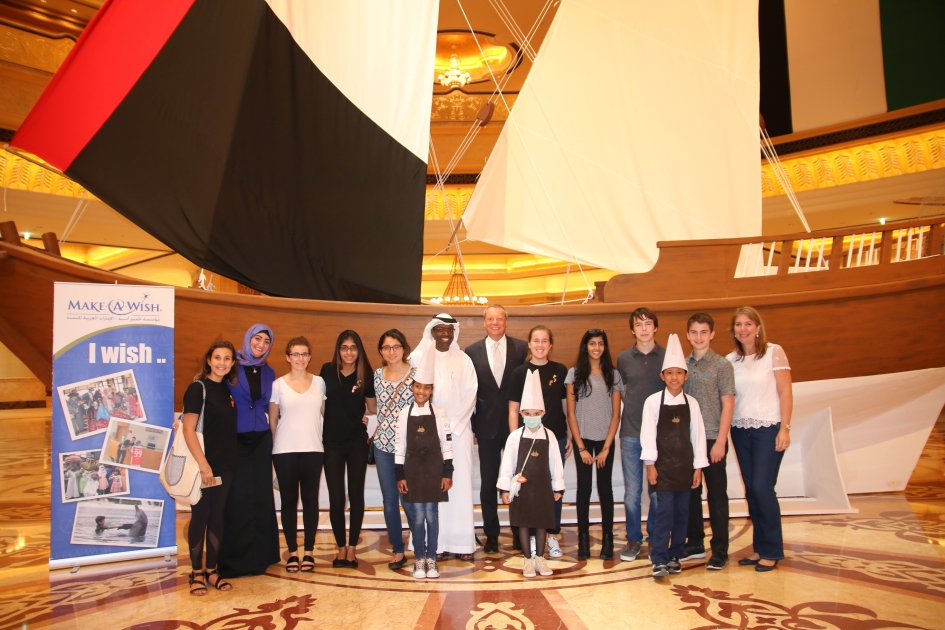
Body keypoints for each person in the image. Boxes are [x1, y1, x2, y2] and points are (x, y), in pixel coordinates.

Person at [727, 306, 793, 572]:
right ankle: (760, 548)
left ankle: (772, 550)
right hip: (740, 430)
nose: (743, 329)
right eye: (738, 325)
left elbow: (786, 392)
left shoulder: (774, 352)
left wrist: (785, 428)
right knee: (752, 490)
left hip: (768, 428)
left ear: (757, 328)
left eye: (748, 324)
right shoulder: (730, 360)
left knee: (763, 489)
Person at [410, 314, 478, 561]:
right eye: (440, 329)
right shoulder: (418, 358)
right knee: (431, 487)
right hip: (427, 434)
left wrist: (451, 426)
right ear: (432, 332)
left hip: (459, 433)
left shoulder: (464, 359)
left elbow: (471, 394)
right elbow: (416, 395)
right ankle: (434, 546)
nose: (445, 334)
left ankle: (461, 544)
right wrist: (434, 428)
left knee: (459, 486)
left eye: (449, 330)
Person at [640, 334, 708, 579]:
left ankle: (675, 555)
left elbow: (697, 436)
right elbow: (647, 434)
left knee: (682, 513)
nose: (674, 377)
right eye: (669, 373)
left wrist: (698, 468)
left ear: (686, 376)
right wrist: (650, 465)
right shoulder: (652, 402)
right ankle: (658, 558)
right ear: (662, 376)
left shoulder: (693, 404)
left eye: (679, 373)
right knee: (663, 513)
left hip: (685, 469)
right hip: (662, 468)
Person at [465, 304, 528, 553]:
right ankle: (491, 533)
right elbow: (469, 392)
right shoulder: (471, 351)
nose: (495, 323)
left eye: (499, 319)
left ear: (506, 321)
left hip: (516, 424)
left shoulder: (522, 348)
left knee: (518, 478)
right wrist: (472, 427)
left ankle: (518, 531)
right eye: (490, 319)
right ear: (484, 322)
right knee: (489, 481)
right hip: (486, 425)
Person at [219, 324, 280, 578]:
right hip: (236, 440)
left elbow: (272, 405)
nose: (261, 344)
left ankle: (263, 556)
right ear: (248, 339)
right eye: (257, 339)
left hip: (261, 440)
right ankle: (236, 558)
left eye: (266, 341)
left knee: (262, 498)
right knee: (237, 499)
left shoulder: (270, 372)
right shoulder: (231, 366)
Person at [181, 340, 239, 595]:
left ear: (232, 363)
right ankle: (195, 572)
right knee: (201, 517)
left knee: (217, 517)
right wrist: (204, 465)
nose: (222, 363)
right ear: (209, 360)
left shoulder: (227, 389)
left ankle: (212, 571)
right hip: (201, 466)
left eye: (227, 359)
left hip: (225, 465)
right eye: (217, 357)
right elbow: (188, 429)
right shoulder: (198, 388)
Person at [507, 325, 569, 558]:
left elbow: (565, 406)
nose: (540, 345)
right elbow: (513, 410)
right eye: (536, 341)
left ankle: (552, 536)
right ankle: (532, 538)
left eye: (545, 341)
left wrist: (570, 436)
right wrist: (516, 440)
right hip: (527, 441)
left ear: (550, 345)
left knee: (554, 487)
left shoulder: (560, 370)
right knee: (529, 491)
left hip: (556, 439)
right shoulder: (519, 372)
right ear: (529, 344)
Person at [498, 369, 566, 578]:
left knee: (542, 522)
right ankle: (528, 559)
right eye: (527, 414)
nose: (532, 417)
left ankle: (540, 558)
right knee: (524, 522)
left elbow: (556, 463)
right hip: (522, 488)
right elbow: (507, 463)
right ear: (521, 415)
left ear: (543, 414)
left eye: (536, 414)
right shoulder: (515, 437)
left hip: (543, 486)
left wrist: (558, 487)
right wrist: (505, 489)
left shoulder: (550, 436)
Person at [682, 313, 736, 569]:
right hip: (690, 440)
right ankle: (694, 543)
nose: (699, 337)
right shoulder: (682, 365)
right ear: (688, 335)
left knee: (716, 495)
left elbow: (728, 404)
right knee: (691, 492)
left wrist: (721, 441)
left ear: (712, 335)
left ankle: (720, 550)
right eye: (695, 332)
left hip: (713, 437)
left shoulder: (722, 365)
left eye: (704, 332)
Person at [394, 350, 453, 579]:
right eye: (418, 386)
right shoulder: (403, 413)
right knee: (417, 516)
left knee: (432, 515)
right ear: (412, 387)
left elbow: (446, 443)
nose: (422, 391)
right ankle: (419, 558)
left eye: (427, 388)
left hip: (434, 470)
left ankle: (432, 558)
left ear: (432, 391)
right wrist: (400, 474)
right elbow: (399, 446)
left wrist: (447, 472)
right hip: (412, 471)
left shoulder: (439, 413)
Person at [566, 329, 624, 560]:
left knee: (605, 490)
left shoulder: (614, 375)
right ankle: (583, 538)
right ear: (585, 346)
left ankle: (607, 539)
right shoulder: (575, 374)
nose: (596, 348)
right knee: (583, 490)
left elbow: (616, 415)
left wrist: (606, 447)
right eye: (592, 343)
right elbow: (571, 413)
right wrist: (580, 447)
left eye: (600, 343)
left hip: (605, 441)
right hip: (583, 440)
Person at [321, 330, 377, 568]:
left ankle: (352, 549)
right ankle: (340, 548)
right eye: (344, 347)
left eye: (353, 348)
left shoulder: (366, 375)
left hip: (356, 443)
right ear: (338, 350)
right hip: (331, 443)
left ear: (359, 350)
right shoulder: (326, 371)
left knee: (356, 496)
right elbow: (320, 404)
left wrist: (365, 417)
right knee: (336, 498)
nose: (349, 352)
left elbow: (372, 408)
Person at [270, 336, 326, 574]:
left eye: (304, 354)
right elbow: (273, 419)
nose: (300, 359)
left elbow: (324, 414)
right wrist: (281, 440)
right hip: (284, 451)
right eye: (295, 354)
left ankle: (309, 552)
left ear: (309, 357)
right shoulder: (278, 384)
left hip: (314, 449)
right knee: (289, 502)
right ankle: (293, 552)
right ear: (288, 357)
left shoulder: (320, 382)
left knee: (311, 501)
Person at [616, 307, 665, 562]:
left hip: (660, 436)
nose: (643, 328)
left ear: (655, 327)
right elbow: (623, 392)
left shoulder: (667, 356)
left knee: (656, 491)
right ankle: (633, 539)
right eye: (638, 324)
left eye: (648, 323)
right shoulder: (623, 358)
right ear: (632, 329)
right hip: (631, 434)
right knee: (632, 492)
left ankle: (656, 537)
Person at [373, 329, 415, 571]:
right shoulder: (377, 375)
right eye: (387, 347)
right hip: (383, 447)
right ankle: (397, 548)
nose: (391, 351)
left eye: (396, 346)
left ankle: (417, 544)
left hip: (408, 448)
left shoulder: (416, 375)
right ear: (381, 351)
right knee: (389, 501)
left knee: (409, 499)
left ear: (404, 349)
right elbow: (372, 405)